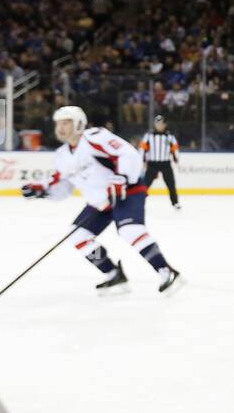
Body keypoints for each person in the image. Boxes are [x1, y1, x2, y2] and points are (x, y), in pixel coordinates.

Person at [21, 106, 181, 294]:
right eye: (58, 123)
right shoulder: (62, 156)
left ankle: (165, 270)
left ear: (79, 124)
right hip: (100, 202)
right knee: (77, 235)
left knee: (130, 231)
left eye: (66, 123)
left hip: (126, 193)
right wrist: (44, 192)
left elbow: (127, 154)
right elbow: (65, 188)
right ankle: (113, 274)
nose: (60, 128)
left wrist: (121, 178)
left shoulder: (95, 137)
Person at [139, 114, 181, 210]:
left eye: (161, 123)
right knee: (145, 185)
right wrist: (143, 161)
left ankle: (175, 203)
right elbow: (142, 149)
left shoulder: (170, 137)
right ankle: (139, 202)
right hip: (152, 164)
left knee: (171, 184)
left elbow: (175, 149)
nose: (159, 125)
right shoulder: (148, 136)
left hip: (165, 163)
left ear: (165, 124)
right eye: (157, 123)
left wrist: (176, 160)